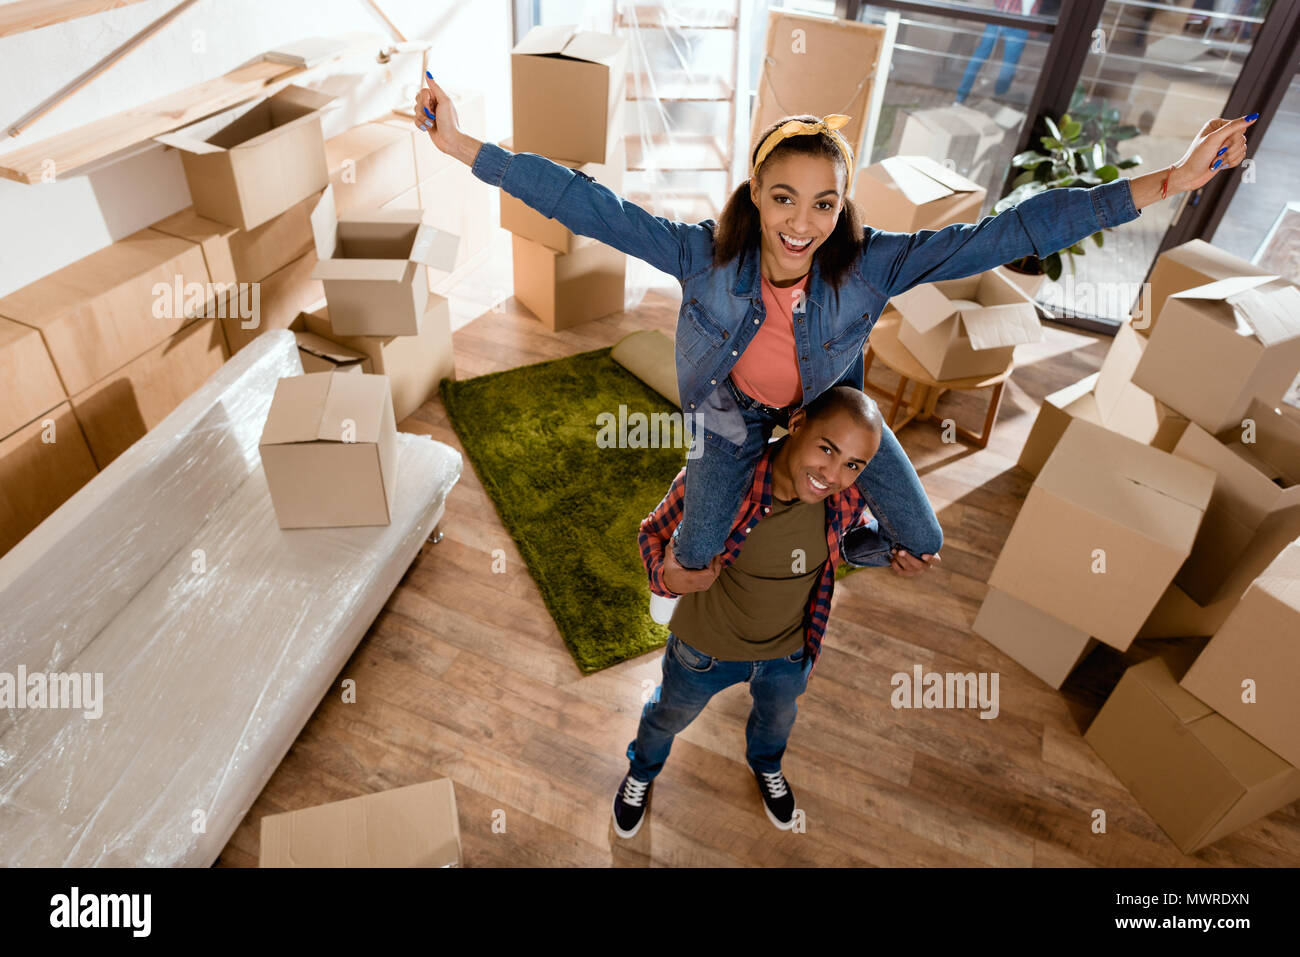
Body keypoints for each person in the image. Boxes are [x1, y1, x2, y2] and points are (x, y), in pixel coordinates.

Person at [410, 73, 1255, 632]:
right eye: (783, 198)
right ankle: (691, 501)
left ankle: (842, 535)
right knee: (692, 562)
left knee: (922, 542)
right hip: (731, 414)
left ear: (842, 204)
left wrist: (1170, 182)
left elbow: (1017, 229)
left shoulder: (875, 262)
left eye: (823, 202)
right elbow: (584, 204)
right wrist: (461, 145)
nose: (802, 223)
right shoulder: (702, 254)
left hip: (828, 414)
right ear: (756, 194)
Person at [616, 385, 892, 835]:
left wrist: (892, 551)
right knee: (667, 715)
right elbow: (651, 532)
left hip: (787, 655)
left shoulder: (846, 498)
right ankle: (641, 772)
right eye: (827, 449)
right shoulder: (719, 485)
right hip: (703, 652)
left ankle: (765, 765)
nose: (833, 474)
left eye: (852, 465)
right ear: (798, 423)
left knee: (777, 723)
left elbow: (860, 535)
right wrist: (666, 579)